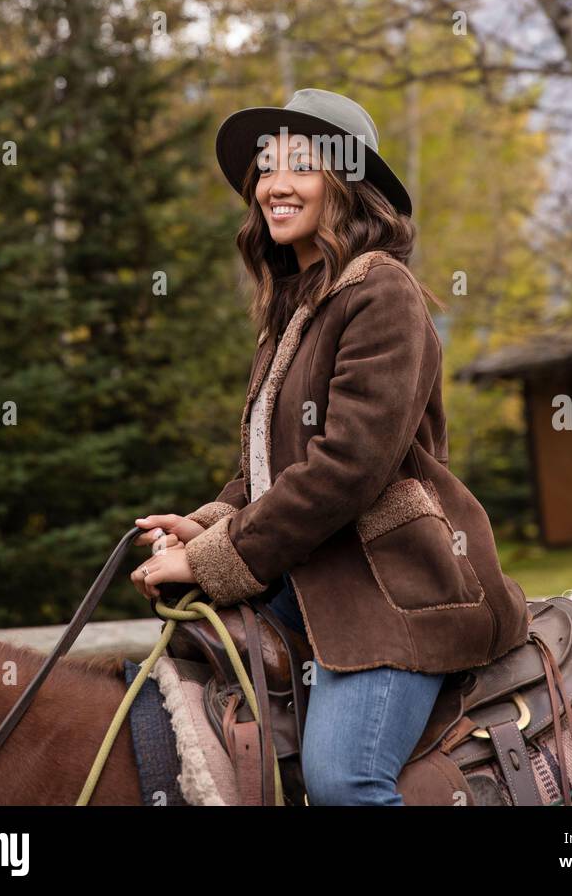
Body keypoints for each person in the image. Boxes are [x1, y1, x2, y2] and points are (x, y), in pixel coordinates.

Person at [131, 88, 530, 805]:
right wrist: (206, 522)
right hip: (304, 585)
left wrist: (214, 559)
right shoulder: (294, 306)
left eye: (301, 166)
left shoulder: (382, 294)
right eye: (265, 168)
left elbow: (346, 468)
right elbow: (266, 470)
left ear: (346, 185)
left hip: (391, 592)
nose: (274, 184)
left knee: (344, 781)